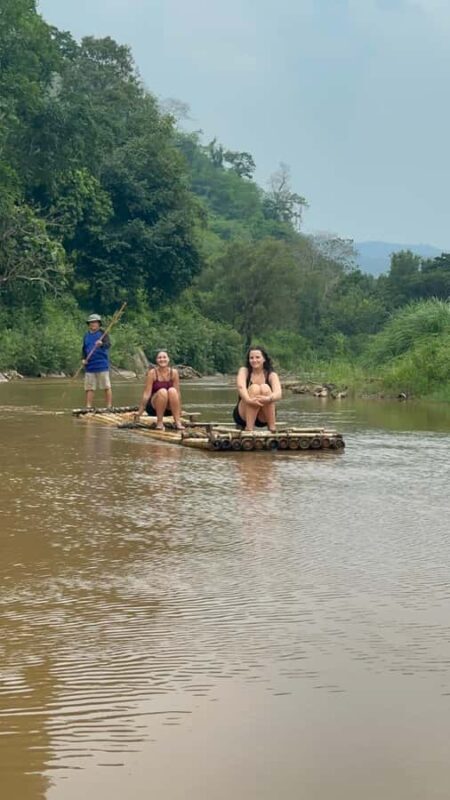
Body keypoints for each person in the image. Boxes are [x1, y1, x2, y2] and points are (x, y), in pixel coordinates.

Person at [233, 346, 282, 432]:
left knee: (265, 388)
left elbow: (278, 393)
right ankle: (249, 429)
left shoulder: (271, 375)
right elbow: (241, 387)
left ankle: (272, 428)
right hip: (244, 414)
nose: (254, 360)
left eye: (257, 357)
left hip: (263, 415)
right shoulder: (244, 371)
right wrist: (249, 400)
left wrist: (268, 398)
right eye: (251, 358)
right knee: (254, 388)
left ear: (264, 359)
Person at [136, 350, 184, 430]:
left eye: (164, 357)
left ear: (168, 359)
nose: (162, 360)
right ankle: (159, 422)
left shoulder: (174, 373)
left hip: (168, 409)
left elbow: (178, 393)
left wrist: (180, 409)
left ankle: (178, 422)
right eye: (159, 358)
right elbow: (146, 394)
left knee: (172, 390)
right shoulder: (152, 373)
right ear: (156, 360)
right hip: (154, 407)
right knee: (163, 391)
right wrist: (140, 412)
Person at [82, 313, 112, 408]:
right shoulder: (86, 336)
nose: (93, 324)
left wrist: (101, 343)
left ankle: (109, 406)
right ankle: (88, 406)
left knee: (106, 386)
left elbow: (108, 345)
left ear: (99, 324)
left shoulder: (103, 334)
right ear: (89, 324)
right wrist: (83, 359)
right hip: (90, 366)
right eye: (91, 323)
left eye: (95, 322)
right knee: (89, 388)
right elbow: (84, 349)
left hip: (102, 365)